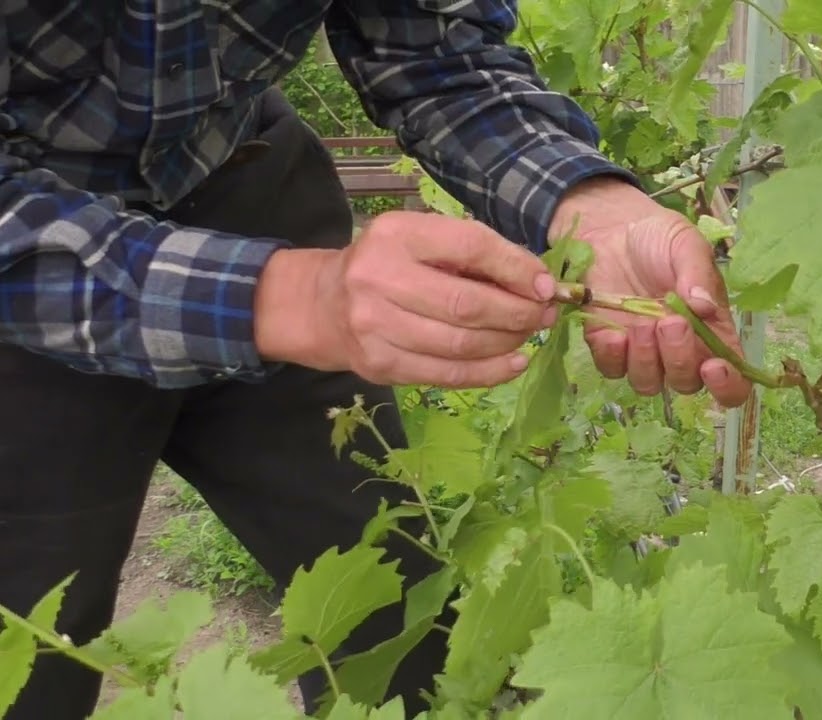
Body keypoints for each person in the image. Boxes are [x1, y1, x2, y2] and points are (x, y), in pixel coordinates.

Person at [0, 3, 751, 718]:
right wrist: (291, 299)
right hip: (24, 270)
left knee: (396, 608)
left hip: (236, 173)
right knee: (28, 656)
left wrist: (592, 207)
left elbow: (432, 46)